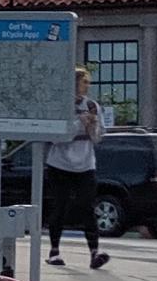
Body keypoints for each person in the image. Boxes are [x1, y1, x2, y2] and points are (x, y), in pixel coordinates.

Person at [43, 66, 109, 269]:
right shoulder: (59, 106)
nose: (87, 86)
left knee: (87, 206)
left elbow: (99, 138)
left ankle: (94, 253)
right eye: (84, 82)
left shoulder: (92, 105)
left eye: (88, 82)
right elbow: (56, 137)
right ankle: (54, 251)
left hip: (86, 165)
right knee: (60, 206)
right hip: (60, 164)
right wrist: (77, 123)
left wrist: (92, 126)